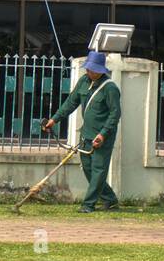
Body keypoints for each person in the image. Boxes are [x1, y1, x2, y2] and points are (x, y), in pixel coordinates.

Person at [43, 50, 121, 212]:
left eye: (92, 69)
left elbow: (115, 114)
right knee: (88, 169)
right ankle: (110, 199)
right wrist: (54, 119)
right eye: (88, 69)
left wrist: (103, 134)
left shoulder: (110, 88)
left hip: (102, 137)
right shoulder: (84, 82)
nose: (89, 71)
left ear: (100, 70)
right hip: (86, 134)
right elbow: (70, 103)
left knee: (99, 170)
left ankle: (88, 205)